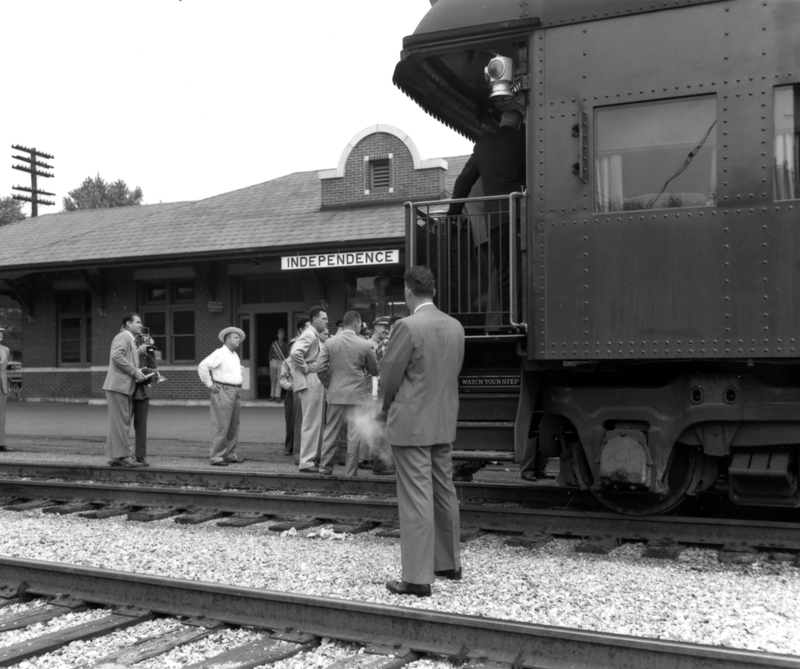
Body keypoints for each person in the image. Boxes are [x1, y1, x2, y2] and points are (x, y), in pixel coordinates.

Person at [380, 266, 465, 597]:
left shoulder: (407, 326)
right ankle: (448, 563)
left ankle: (416, 578)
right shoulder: (455, 326)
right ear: (433, 291)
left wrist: (383, 406)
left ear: (407, 291)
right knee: (444, 490)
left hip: (412, 424)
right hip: (443, 421)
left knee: (416, 498)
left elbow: (389, 376)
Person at [447, 109, 525, 323]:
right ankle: (521, 318)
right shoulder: (523, 139)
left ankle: (510, 320)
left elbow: (463, 182)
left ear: (501, 122)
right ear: (519, 124)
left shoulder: (482, 145)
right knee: (522, 268)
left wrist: (451, 213)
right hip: (521, 212)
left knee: (503, 272)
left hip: (495, 218)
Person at [317, 311, 378, 476]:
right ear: (357, 323)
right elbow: (374, 370)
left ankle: (325, 468)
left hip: (335, 394)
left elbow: (320, 368)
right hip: (357, 395)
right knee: (354, 435)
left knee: (331, 431)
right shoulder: (365, 344)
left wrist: (329, 384)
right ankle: (350, 472)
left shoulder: (330, 342)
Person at [102, 313, 148, 467]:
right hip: (119, 386)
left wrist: (141, 370)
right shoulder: (124, 336)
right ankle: (124, 457)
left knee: (117, 423)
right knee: (122, 422)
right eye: (138, 322)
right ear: (128, 324)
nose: (141, 325)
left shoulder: (130, 340)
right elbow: (116, 356)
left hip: (119, 386)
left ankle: (114, 457)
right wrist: (135, 371)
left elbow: (124, 360)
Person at [198, 326, 246, 466]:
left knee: (233, 424)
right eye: (235, 337)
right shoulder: (220, 353)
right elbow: (203, 366)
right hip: (224, 390)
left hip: (235, 390)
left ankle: (230, 454)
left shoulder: (234, 355)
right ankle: (217, 457)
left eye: (239, 338)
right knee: (221, 424)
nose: (239, 340)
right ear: (227, 339)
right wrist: (209, 384)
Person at [291, 306, 328, 473]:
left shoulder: (313, 334)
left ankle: (309, 459)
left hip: (313, 379)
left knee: (314, 421)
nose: (326, 321)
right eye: (324, 319)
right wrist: (306, 368)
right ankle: (306, 461)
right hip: (311, 379)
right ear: (315, 319)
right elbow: (295, 352)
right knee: (312, 421)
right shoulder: (310, 333)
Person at [282, 317, 310, 457]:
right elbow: (282, 379)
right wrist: (290, 386)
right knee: (291, 420)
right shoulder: (286, 363)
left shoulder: (305, 360)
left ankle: (302, 447)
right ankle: (289, 446)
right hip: (291, 392)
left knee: (304, 420)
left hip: (304, 389)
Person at [268, 329, 288, 403]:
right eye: (280, 334)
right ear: (277, 335)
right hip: (273, 361)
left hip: (281, 362)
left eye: (282, 334)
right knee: (273, 379)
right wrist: (270, 361)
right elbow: (270, 353)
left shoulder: (285, 344)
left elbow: (286, 354)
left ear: (284, 335)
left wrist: (284, 362)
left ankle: (277, 396)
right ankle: (272, 395)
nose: (281, 335)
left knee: (279, 379)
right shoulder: (274, 344)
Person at [0, 327, 11, 452]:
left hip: (2, 384)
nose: (0, 334)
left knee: (1, 414)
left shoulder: (6, 350)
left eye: (1, 332)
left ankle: (1, 443)